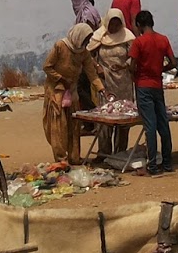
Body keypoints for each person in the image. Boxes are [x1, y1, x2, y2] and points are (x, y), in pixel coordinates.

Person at [41, 23, 96, 163]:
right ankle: (61, 159)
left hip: (72, 91)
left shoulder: (83, 52)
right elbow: (47, 67)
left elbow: (91, 73)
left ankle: (74, 157)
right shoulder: (60, 46)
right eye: (86, 39)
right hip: (56, 91)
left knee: (74, 126)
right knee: (59, 126)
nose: (87, 42)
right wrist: (60, 78)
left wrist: (102, 89)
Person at [130, 11, 176, 175]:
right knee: (163, 124)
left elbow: (132, 66)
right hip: (157, 84)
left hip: (143, 85)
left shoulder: (139, 42)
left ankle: (152, 165)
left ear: (139, 25)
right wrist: (160, 69)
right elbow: (173, 62)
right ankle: (168, 163)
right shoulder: (163, 39)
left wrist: (135, 75)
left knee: (150, 126)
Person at [88, 9, 137, 155]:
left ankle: (120, 152)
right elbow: (87, 55)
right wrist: (97, 67)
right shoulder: (99, 36)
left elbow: (134, 56)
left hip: (124, 82)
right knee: (104, 118)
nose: (114, 27)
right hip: (106, 82)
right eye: (111, 23)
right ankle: (104, 152)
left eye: (117, 24)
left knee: (123, 117)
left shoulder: (128, 37)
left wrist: (125, 65)